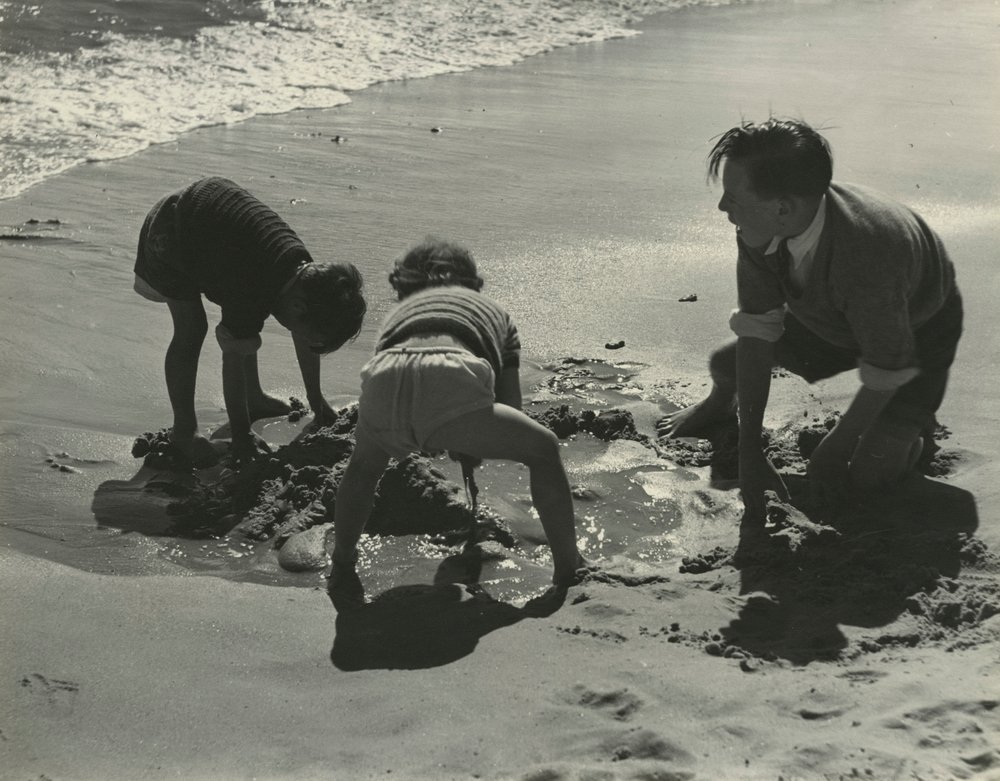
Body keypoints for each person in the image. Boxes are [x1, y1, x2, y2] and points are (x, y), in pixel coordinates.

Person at [657, 118, 962, 523]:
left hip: (914, 336)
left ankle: (915, 428)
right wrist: (750, 449)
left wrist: (835, 447)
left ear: (783, 207)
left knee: (869, 472)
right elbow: (757, 330)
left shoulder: (868, 252)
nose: (722, 208)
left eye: (733, 197)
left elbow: (888, 363)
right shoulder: (759, 227)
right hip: (831, 317)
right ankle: (717, 405)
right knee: (724, 365)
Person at [327, 239, 585, 610]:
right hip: (449, 373)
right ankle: (566, 567)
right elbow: (507, 404)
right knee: (542, 448)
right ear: (474, 287)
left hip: (382, 376)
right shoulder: (494, 317)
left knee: (364, 468)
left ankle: (343, 561)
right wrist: (470, 439)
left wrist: (433, 428)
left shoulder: (398, 319)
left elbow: (403, 388)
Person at [134, 176, 367, 467]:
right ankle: (184, 433)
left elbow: (299, 334)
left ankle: (252, 396)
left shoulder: (302, 271)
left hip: (211, 221)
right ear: (298, 305)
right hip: (171, 233)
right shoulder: (252, 286)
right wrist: (242, 437)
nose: (305, 340)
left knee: (246, 322)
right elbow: (232, 357)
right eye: (310, 335)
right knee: (193, 328)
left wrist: (315, 397)